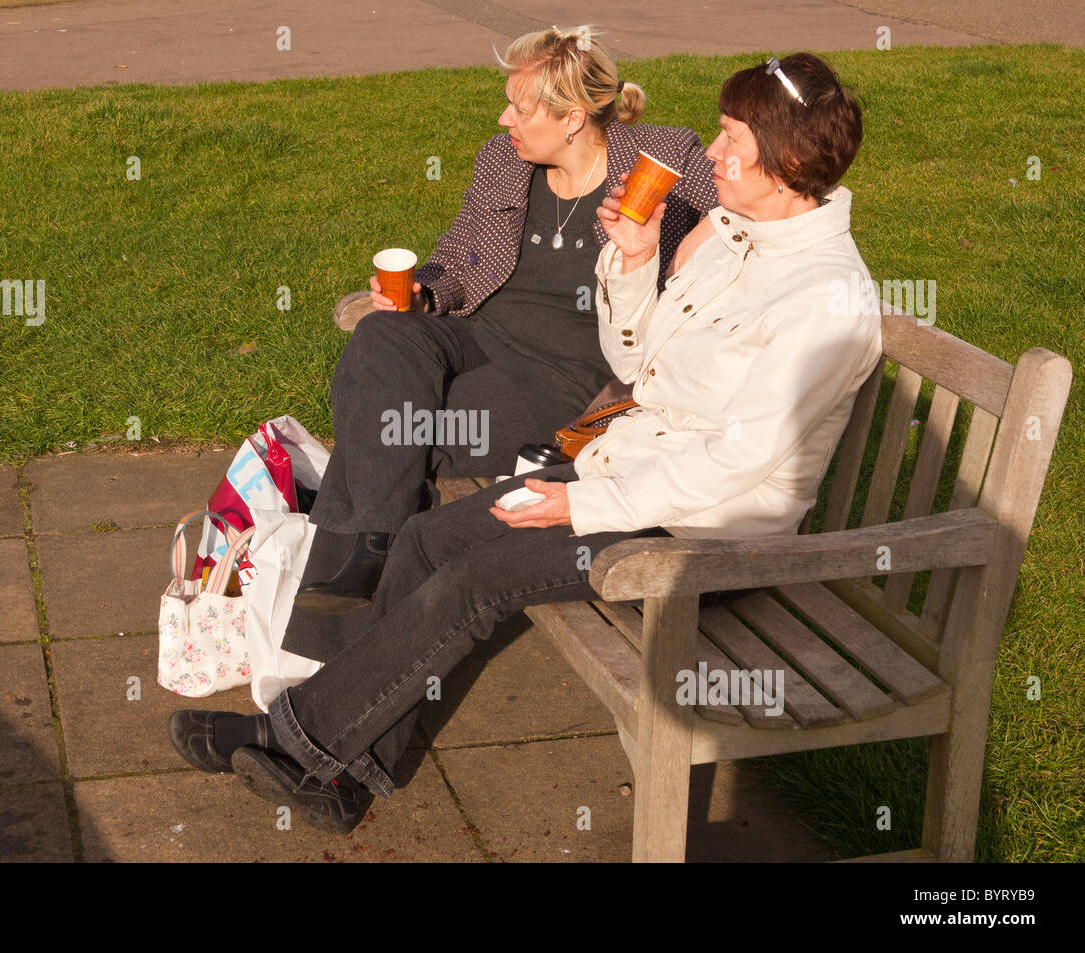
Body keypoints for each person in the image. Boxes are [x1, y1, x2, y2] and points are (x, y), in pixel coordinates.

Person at [169, 51, 882, 836]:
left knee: (473, 583)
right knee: (424, 538)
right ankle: (343, 772)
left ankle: (294, 737)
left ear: (783, 162)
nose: (713, 154)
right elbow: (636, 360)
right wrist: (638, 262)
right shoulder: (737, 240)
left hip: (705, 532)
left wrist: (576, 502)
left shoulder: (824, 297)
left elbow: (736, 461)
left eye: (730, 137)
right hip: (631, 474)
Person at [285, 25, 717, 636]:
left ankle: (331, 650)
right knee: (381, 338)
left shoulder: (658, 159)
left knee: (384, 425)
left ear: (571, 119)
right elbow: (458, 256)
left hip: (568, 379)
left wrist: (690, 245)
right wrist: (423, 292)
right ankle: (379, 541)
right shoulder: (504, 163)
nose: (502, 118)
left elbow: (756, 205)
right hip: (479, 335)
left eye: (519, 106)